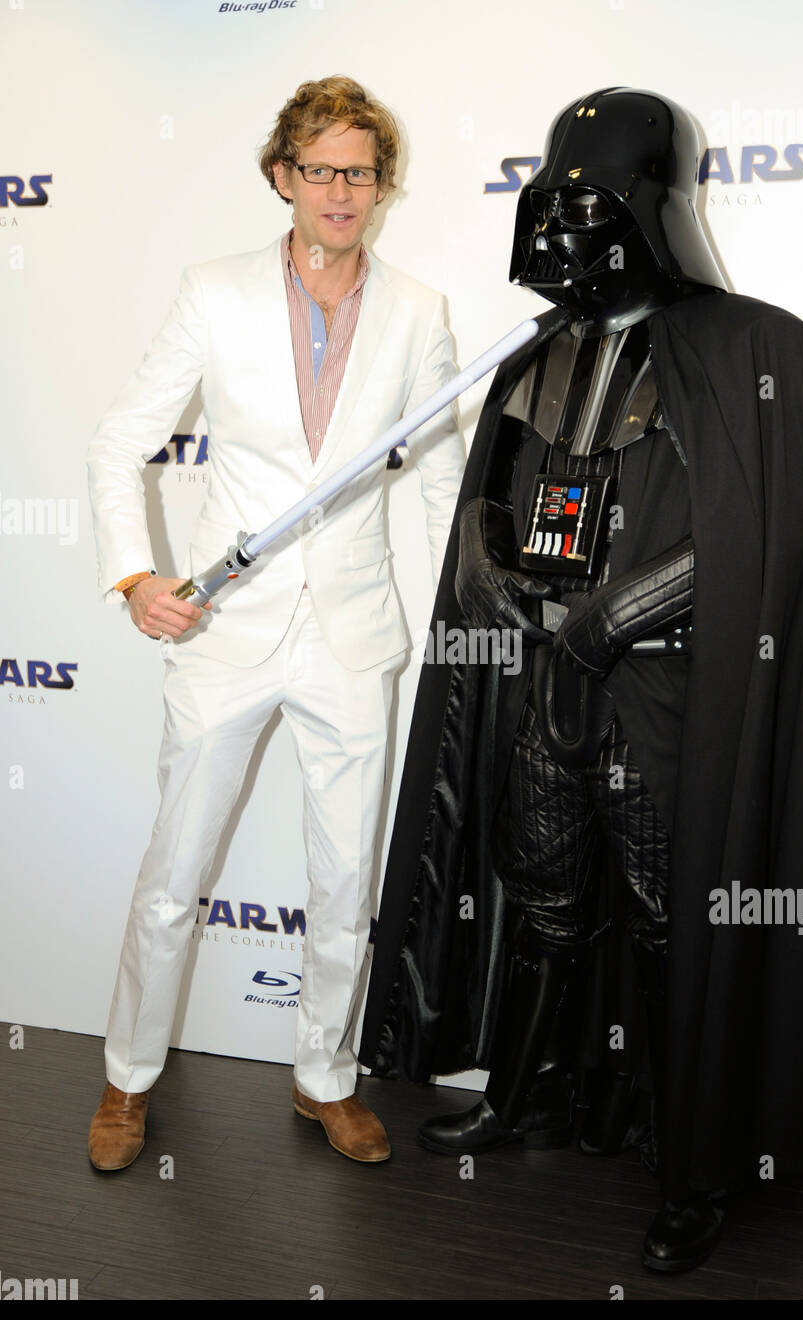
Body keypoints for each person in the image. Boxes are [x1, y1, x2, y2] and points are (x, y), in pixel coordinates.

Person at [360, 87, 803, 1272]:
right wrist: (491, 571)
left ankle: (691, 1162)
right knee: (542, 897)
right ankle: (531, 1091)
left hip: (665, 696)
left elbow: (761, 538)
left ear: (653, 209)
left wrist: (610, 621)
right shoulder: (536, 354)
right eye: (553, 208)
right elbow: (492, 494)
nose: (565, 238)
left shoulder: (764, 354)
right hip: (544, 678)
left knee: (667, 915)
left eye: (592, 209)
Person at [86, 75, 465, 1171]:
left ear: (381, 186)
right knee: (173, 872)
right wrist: (133, 577)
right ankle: (127, 1078)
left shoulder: (421, 314)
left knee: (346, 882)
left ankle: (324, 1079)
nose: (340, 190)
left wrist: (454, 623)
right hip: (224, 630)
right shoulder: (214, 292)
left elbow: (438, 478)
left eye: (360, 170)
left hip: (354, 637)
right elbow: (120, 446)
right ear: (282, 177)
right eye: (320, 168)